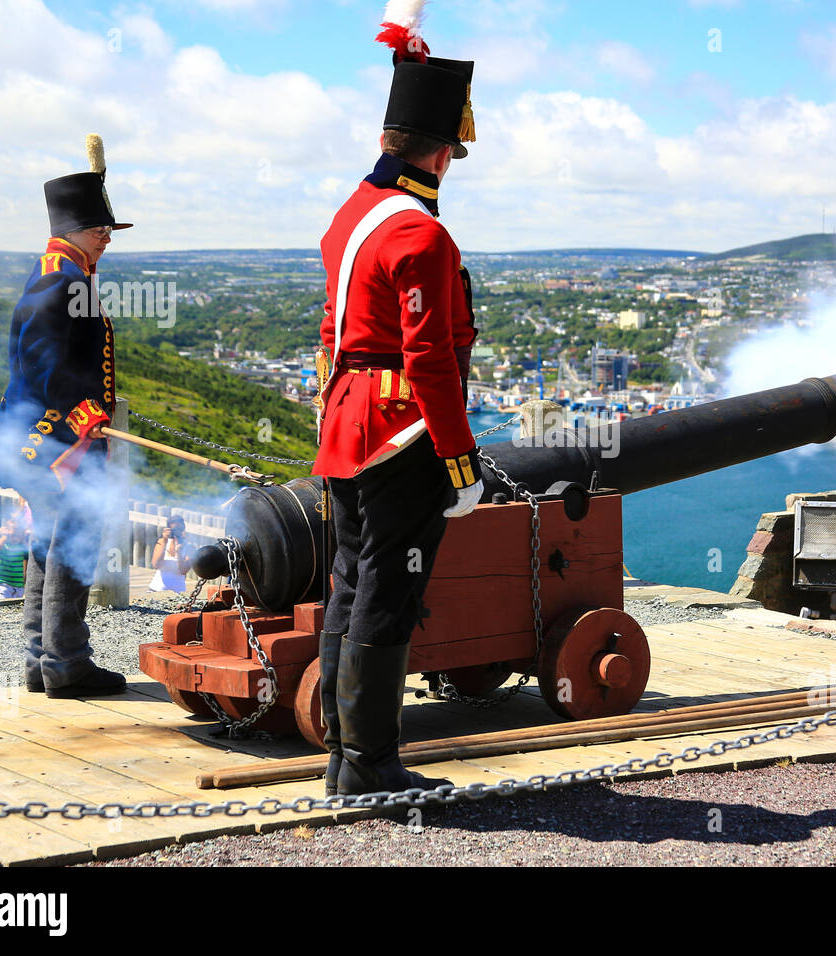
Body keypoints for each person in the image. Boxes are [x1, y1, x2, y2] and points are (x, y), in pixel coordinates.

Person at [311, 6, 482, 797]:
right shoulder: (420, 235)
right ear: (442, 153)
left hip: (347, 424)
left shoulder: (353, 215)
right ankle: (373, 766)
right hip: (402, 431)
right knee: (387, 592)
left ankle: (346, 759)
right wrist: (459, 459)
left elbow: (333, 328)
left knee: (352, 584)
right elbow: (432, 359)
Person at [0, 134, 132, 699]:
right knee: (71, 547)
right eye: (101, 231)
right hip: (58, 444)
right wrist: (84, 425)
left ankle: (39, 658)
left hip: (43, 441)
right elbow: (47, 371)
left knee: (47, 544)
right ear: (74, 230)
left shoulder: (60, 270)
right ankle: (67, 663)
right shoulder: (64, 281)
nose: (106, 240)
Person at [0, 508, 31, 599]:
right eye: (13, 535)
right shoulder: (5, 546)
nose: (15, 538)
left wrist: (25, 537)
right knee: (2, 604)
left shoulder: (23, 548)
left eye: (18, 535)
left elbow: (29, 552)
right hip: (4, 583)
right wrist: (5, 536)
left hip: (19, 584)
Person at [148, 514, 193, 593]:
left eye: (179, 529)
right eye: (174, 529)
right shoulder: (162, 542)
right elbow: (156, 565)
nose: (176, 532)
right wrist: (165, 540)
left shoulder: (189, 547)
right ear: (168, 529)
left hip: (178, 592)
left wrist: (179, 553)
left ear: (183, 529)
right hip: (156, 590)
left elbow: (183, 571)